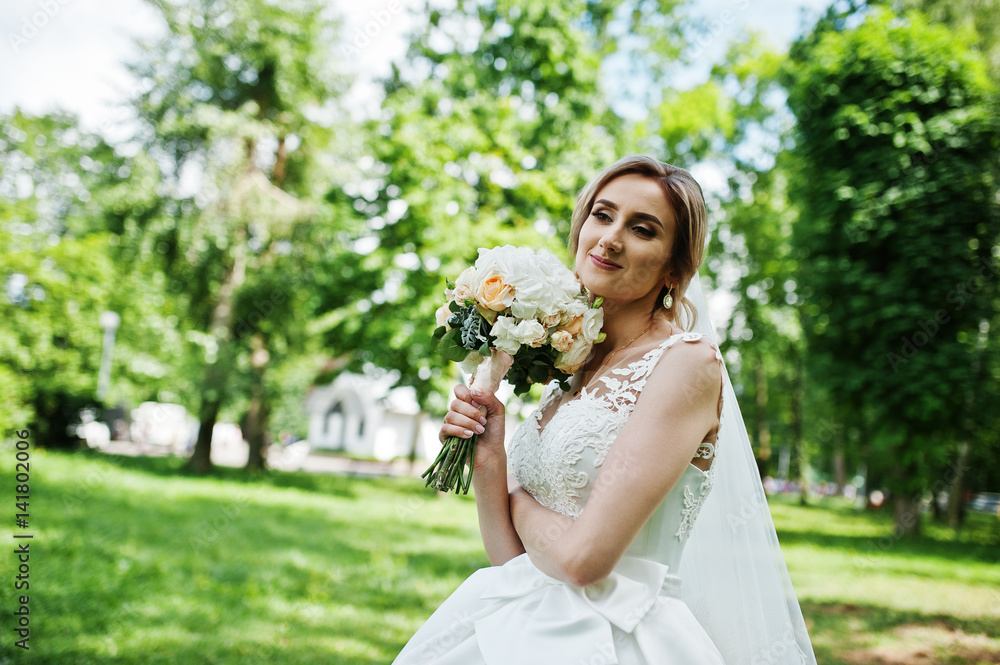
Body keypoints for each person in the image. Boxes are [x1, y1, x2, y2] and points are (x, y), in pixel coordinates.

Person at [393, 156, 817, 665]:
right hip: (522, 626)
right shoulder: (572, 367)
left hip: (620, 643)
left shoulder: (686, 365)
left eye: (642, 229)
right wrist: (490, 457)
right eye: (602, 214)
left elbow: (580, 562)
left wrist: (516, 495)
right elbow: (514, 563)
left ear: (674, 270)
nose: (611, 238)